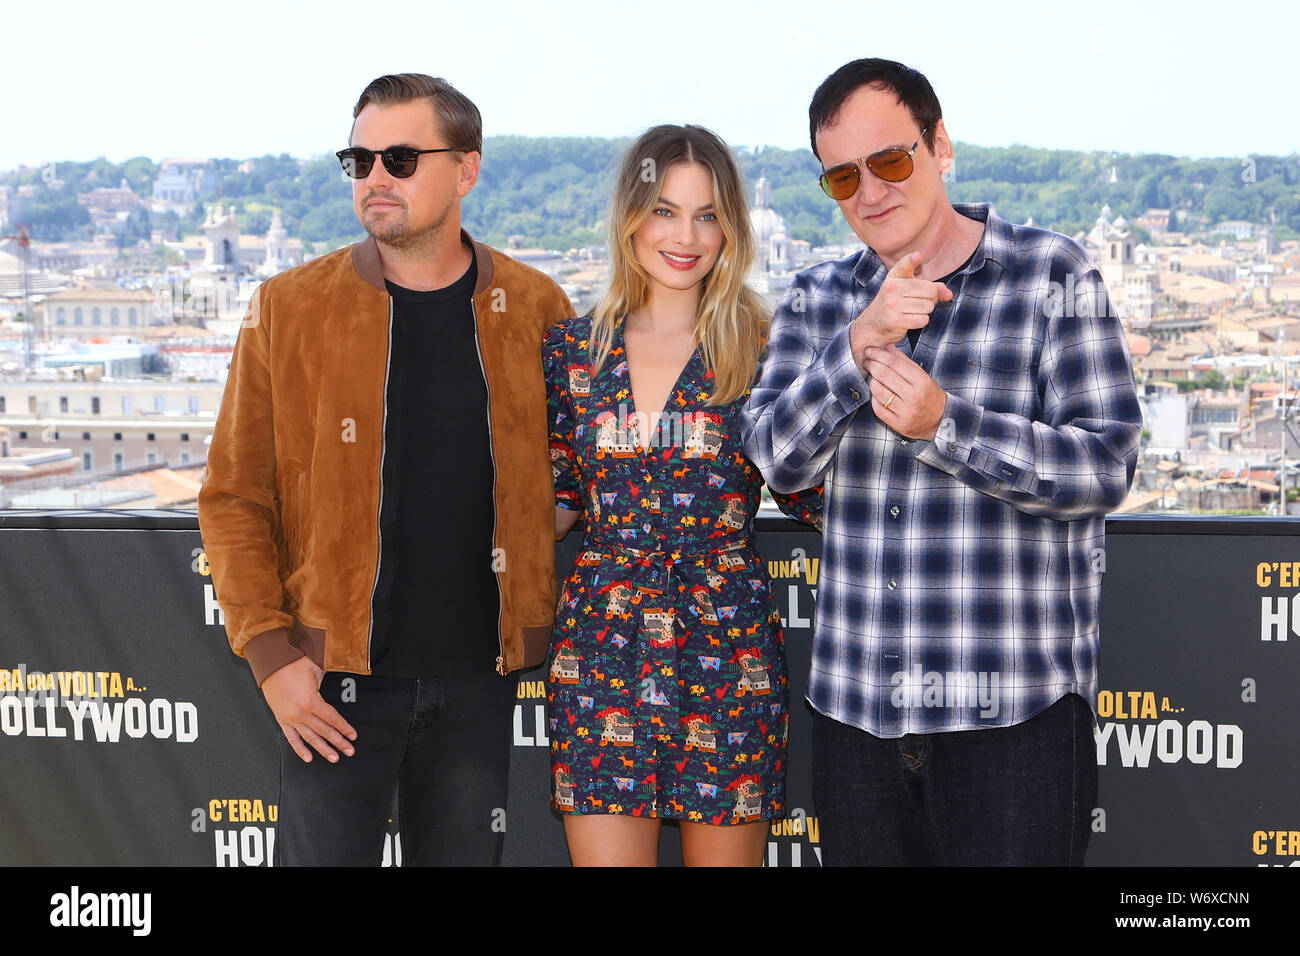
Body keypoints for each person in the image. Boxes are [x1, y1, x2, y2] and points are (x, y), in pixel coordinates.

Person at [741, 58, 1142, 866]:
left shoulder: (1052, 274)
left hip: (1013, 724)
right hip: (857, 722)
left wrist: (946, 425)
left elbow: (1106, 464)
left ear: (941, 146)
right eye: (842, 178)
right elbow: (776, 460)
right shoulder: (819, 297)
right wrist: (857, 346)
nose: (871, 192)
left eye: (891, 161)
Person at [197, 73, 573, 866]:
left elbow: (568, 476)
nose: (375, 178)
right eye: (359, 159)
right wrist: (271, 658)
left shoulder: (536, 307)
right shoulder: (289, 309)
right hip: (332, 683)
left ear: (465, 169)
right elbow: (232, 495)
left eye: (401, 158)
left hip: (480, 680)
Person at [544, 125, 821, 867]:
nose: (686, 236)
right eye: (665, 210)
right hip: (603, 652)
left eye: (707, 215)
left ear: (731, 226)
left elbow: (821, 494)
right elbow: (558, 502)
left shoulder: (771, 351)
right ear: (630, 216)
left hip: (728, 656)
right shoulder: (572, 352)